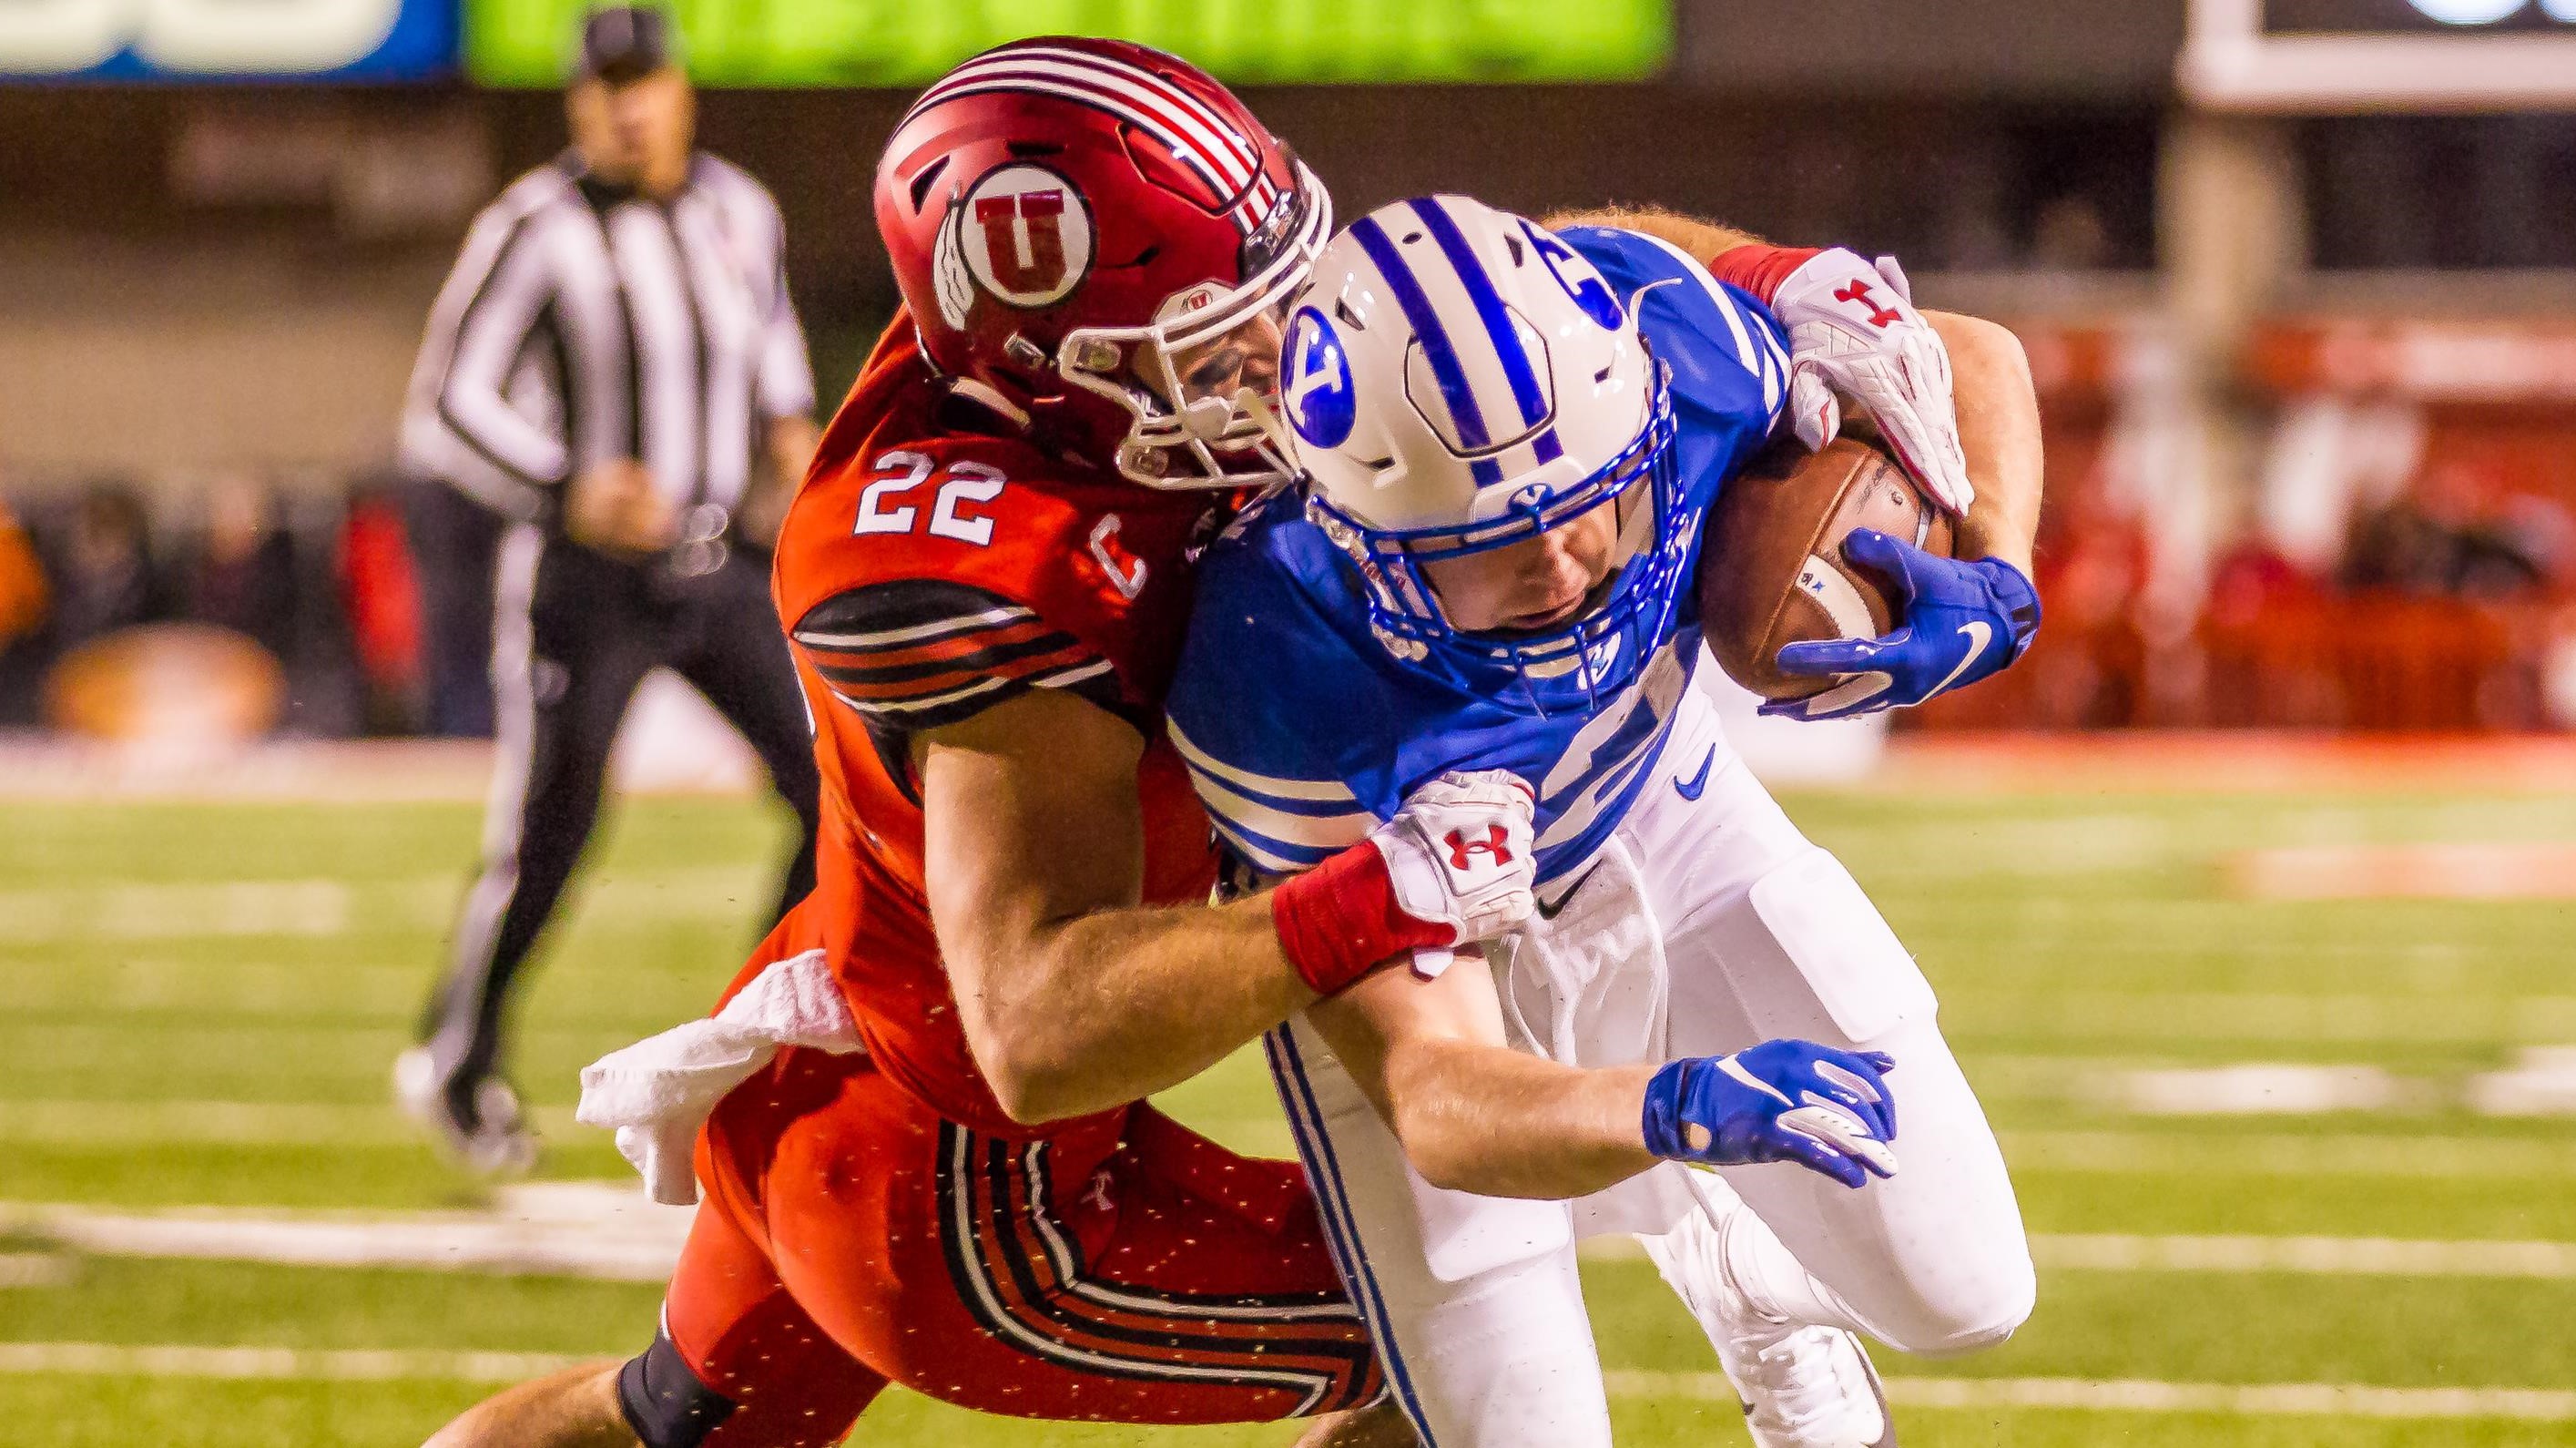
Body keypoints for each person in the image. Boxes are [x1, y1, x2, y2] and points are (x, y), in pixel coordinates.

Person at [422, 40, 1960, 1448]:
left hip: (834, 1052)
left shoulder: (1060, 351)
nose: (1283, 359)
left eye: (1272, 298)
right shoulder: (992, 569)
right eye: (1216, 349)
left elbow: (1506, 276)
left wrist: (1767, 274)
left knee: (658, 1426)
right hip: (971, 1195)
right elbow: (1032, 1029)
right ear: (1054, 374)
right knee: (1455, 1348)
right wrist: (1382, 888)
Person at [1164, 197, 2049, 1447]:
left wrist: (2000, 564)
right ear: (1362, 535)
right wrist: (1666, 1108)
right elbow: (1437, 1089)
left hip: (1663, 814)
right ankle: (1663, 1237)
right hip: (1432, 941)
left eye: (1592, 503)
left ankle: (1750, 1279)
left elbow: (1968, 354)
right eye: (1489, 546)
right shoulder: (1280, 662)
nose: (1563, 564)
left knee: (1968, 1290)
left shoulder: (1680, 343)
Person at [392, 5, 825, 1173]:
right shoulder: (533, 225)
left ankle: (752, 1045)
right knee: (551, 829)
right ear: (578, 103)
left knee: (835, 792)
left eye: (644, 82)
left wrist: (793, 446)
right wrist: (563, 485)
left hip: (716, 563)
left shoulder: (741, 210)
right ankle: (456, 1057)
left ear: (680, 89)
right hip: (586, 582)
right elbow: (447, 400)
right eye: (606, 87)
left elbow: (776, 361)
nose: (628, 107)